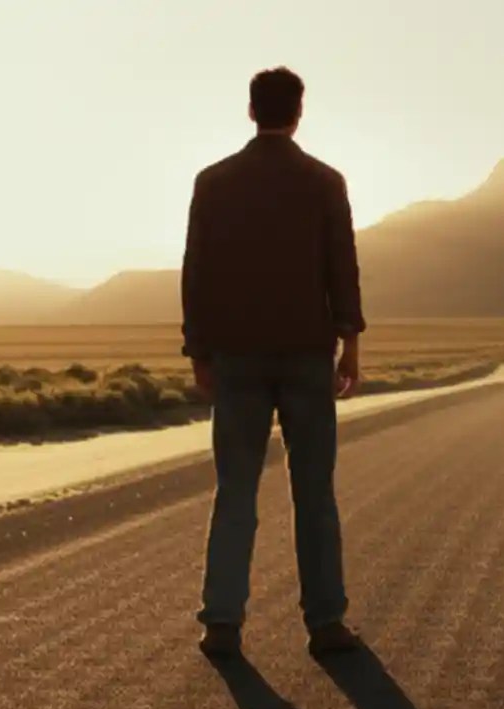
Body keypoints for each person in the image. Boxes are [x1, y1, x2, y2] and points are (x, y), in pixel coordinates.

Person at [180, 66, 366, 658]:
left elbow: (196, 273)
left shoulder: (214, 182)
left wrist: (199, 351)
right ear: (299, 111)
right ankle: (326, 622)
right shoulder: (324, 181)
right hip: (308, 354)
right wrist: (350, 341)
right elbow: (343, 264)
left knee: (235, 491)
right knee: (315, 492)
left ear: (251, 110)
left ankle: (222, 623)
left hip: (235, 357)